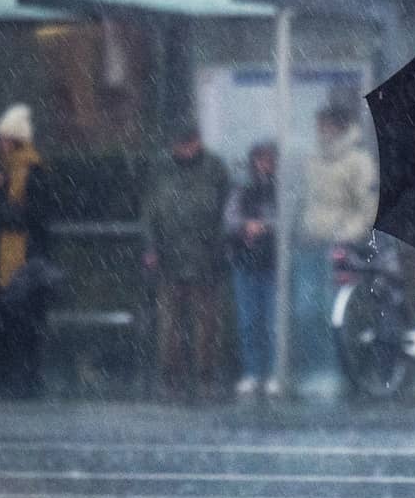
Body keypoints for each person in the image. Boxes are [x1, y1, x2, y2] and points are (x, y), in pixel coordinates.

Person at [294, 104, 378, 397]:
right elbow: (302, 199)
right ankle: (313, 369)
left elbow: (366, 208)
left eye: (325, 125)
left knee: (331, 311)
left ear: (339, 126)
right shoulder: (311, 159)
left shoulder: (358, 161)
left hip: (338, 248)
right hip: (308, 245)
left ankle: (332, 373)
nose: (320, 131)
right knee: (305, 311)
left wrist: (344, 235)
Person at [143, 125, 230, 401]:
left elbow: (223, 211)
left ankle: (205, 373)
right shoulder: (162, 169)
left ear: (196, 142)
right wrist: (151, 246)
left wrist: (218, 246)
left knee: (206, 322)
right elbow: (150, 211)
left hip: (205, 256)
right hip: (170, 256)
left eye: (186, 143)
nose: (181, 149)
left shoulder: (214, 169)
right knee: (170, 322)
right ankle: (172, 375)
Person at [0, 104, 54, 397]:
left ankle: (23, 375)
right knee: (13, 315)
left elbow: (33, 214)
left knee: (23, 317)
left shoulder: (32, 170)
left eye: (4, 139)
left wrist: (2, 211)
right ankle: (15, 373)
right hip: (10, 254)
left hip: (25, 255)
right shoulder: (4, 171)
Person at [223, 142, 280, 398]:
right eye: (260, 159)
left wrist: (265, 227)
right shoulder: (242, 188)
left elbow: (287, 218)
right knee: (249, 321)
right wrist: (247, 226)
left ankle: (273, 372)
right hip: (245, 261)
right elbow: (229, 220)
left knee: (271, 321)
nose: (264, 164)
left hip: (271, 262)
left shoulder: (280, 188)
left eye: (268, 159)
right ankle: (252, 372)